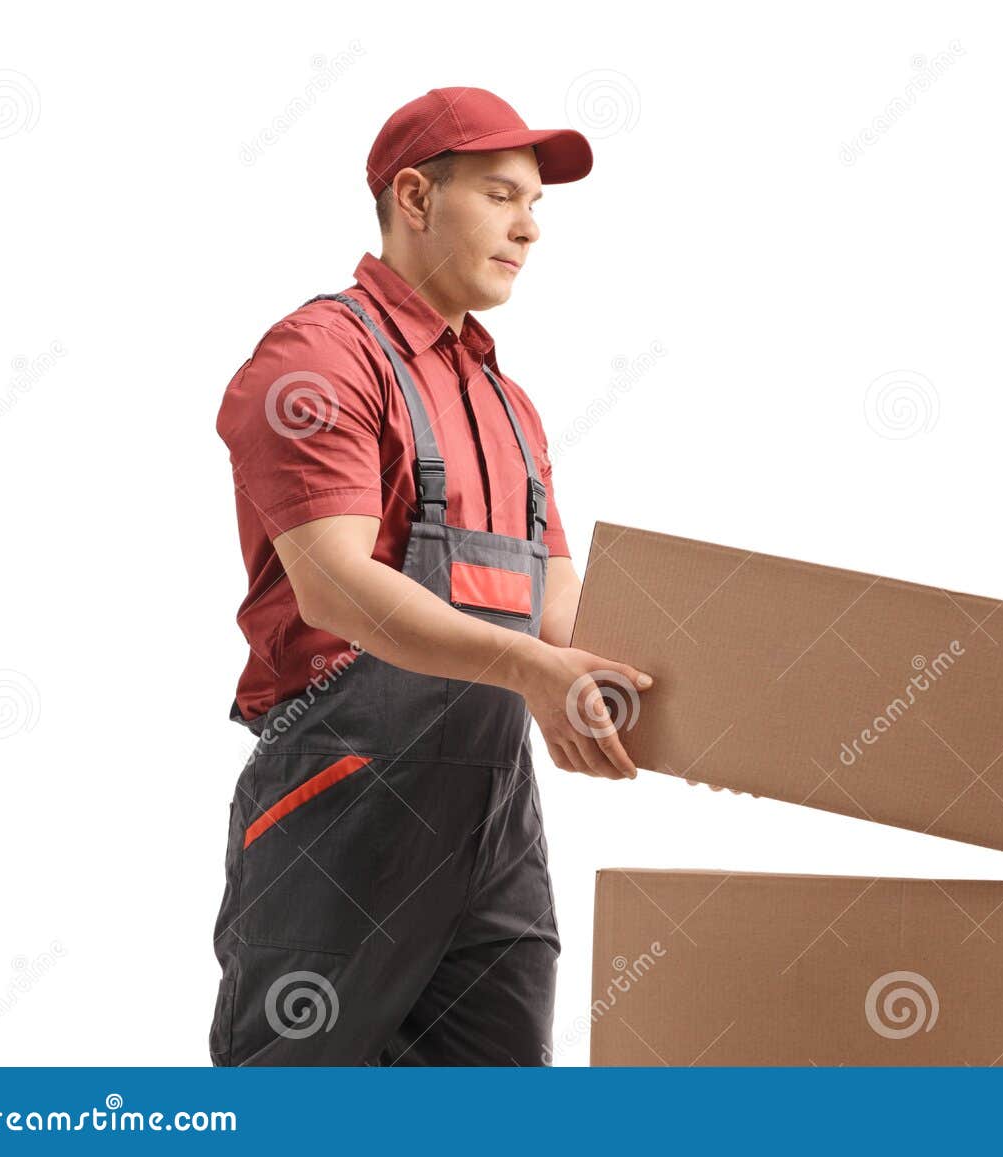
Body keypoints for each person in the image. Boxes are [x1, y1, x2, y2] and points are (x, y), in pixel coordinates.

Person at [207, 86, 650, 1066]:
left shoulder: (507, 401)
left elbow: (558, 606)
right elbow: (336, 585)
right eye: (501, 194)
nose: (529, 227)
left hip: (492, 817)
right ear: (414, 196)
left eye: (536, 204)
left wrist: (700, 685)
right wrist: (534, 673)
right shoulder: (320, 360)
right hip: (343, 798)